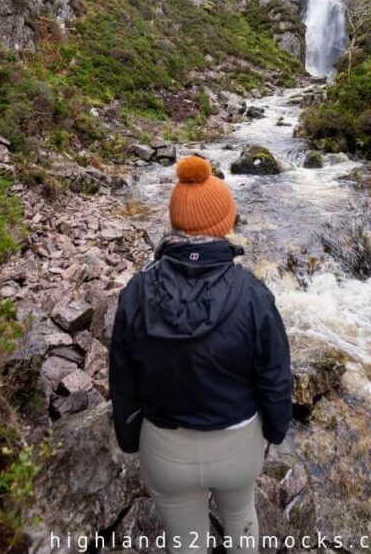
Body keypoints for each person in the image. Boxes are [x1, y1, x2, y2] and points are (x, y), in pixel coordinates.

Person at [109, 154, 293, 554]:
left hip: (165, 448)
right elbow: (275, 376)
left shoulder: (136, 292)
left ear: (174, 224)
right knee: (242, 516)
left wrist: (128, 437)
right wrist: (276, 430)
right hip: (238, 446)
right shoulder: (253, 295)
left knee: (184, 543)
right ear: (226, 223)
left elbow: (122, 379)